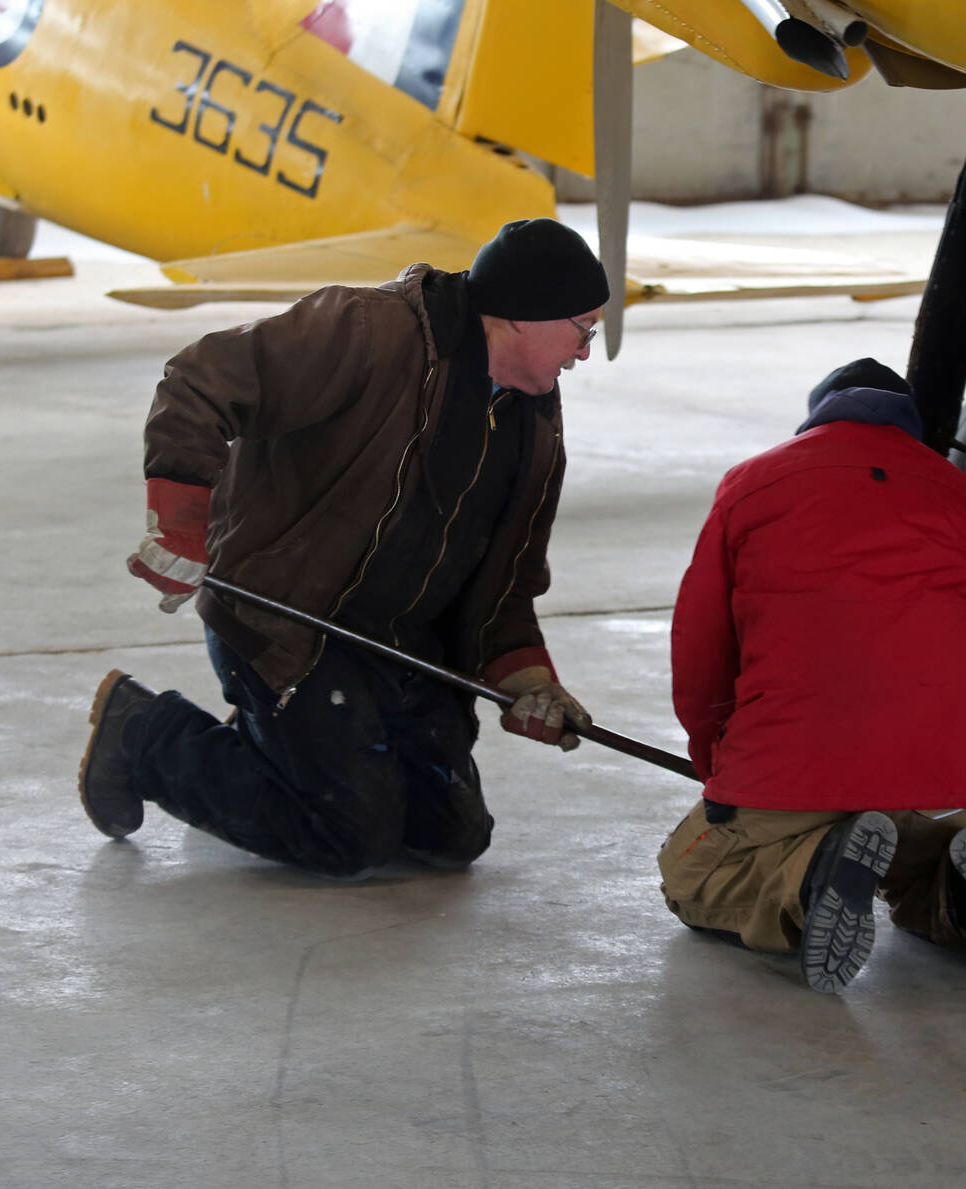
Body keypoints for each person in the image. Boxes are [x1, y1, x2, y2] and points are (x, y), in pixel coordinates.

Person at [77, 217, 606, 879]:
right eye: (584, 327)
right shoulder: (368, 331)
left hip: (401, 651)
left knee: (451, 837)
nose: (586, 351)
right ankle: (145, 733)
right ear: (524, 315)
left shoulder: (535, 425)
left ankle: (274, 752)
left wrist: (529, 680)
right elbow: (201, 380)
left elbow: (507, 583)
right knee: (349, 836)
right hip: (290, 624)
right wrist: (181, 520)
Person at [660, 357, 966, 993]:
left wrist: (719, 770)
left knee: (694, 876)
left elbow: (700, 651)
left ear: (817, 417)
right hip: (955, 775)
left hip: (796, 768)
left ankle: (809, 877)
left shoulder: (750, 485)